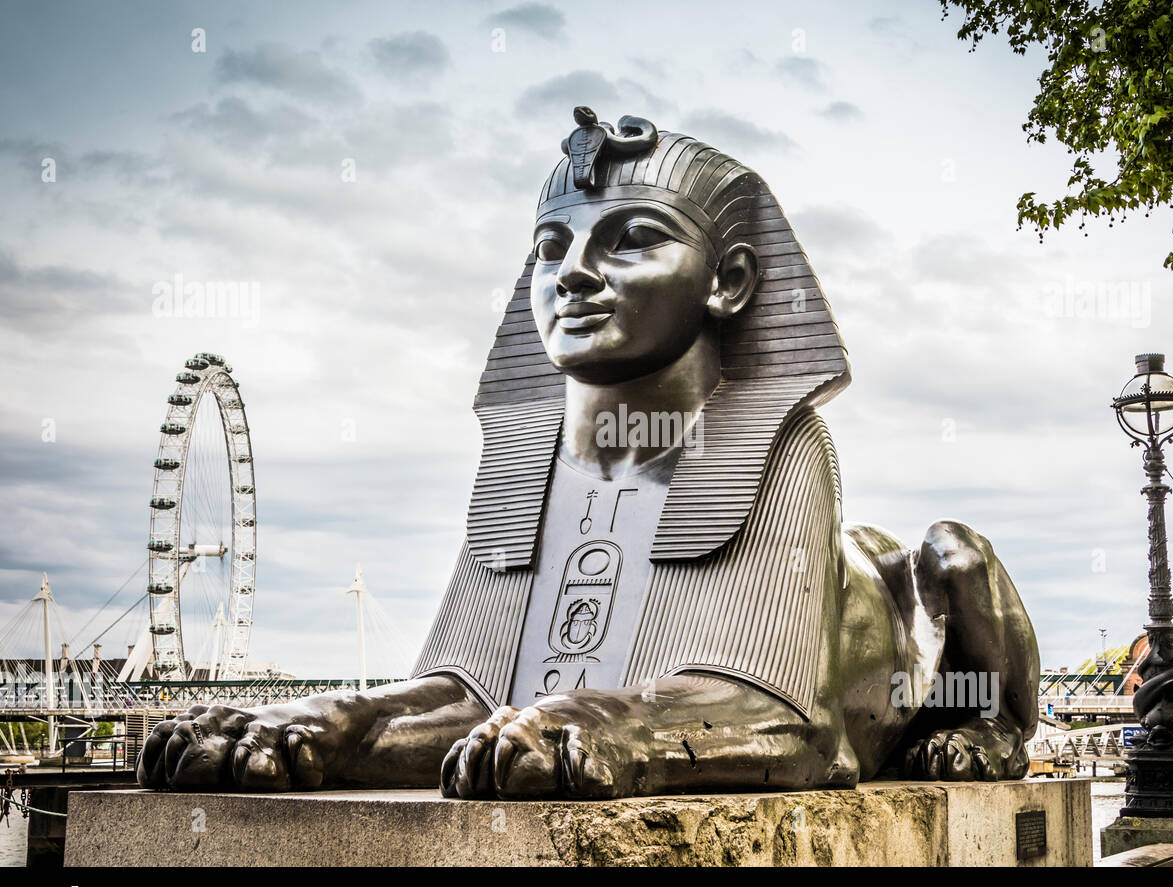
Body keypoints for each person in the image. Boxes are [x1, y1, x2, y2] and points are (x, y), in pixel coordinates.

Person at [137, 108, 1039, 797]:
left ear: (729, 283)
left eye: (633, 239)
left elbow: (798, 731)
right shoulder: (529, 455)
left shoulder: (781, 447)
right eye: (551, 246)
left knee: (950, 551)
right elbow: (472, 694)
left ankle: (994, 720)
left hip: (907, 664)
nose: (571, 272)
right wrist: (331, 722)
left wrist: (616, 723)